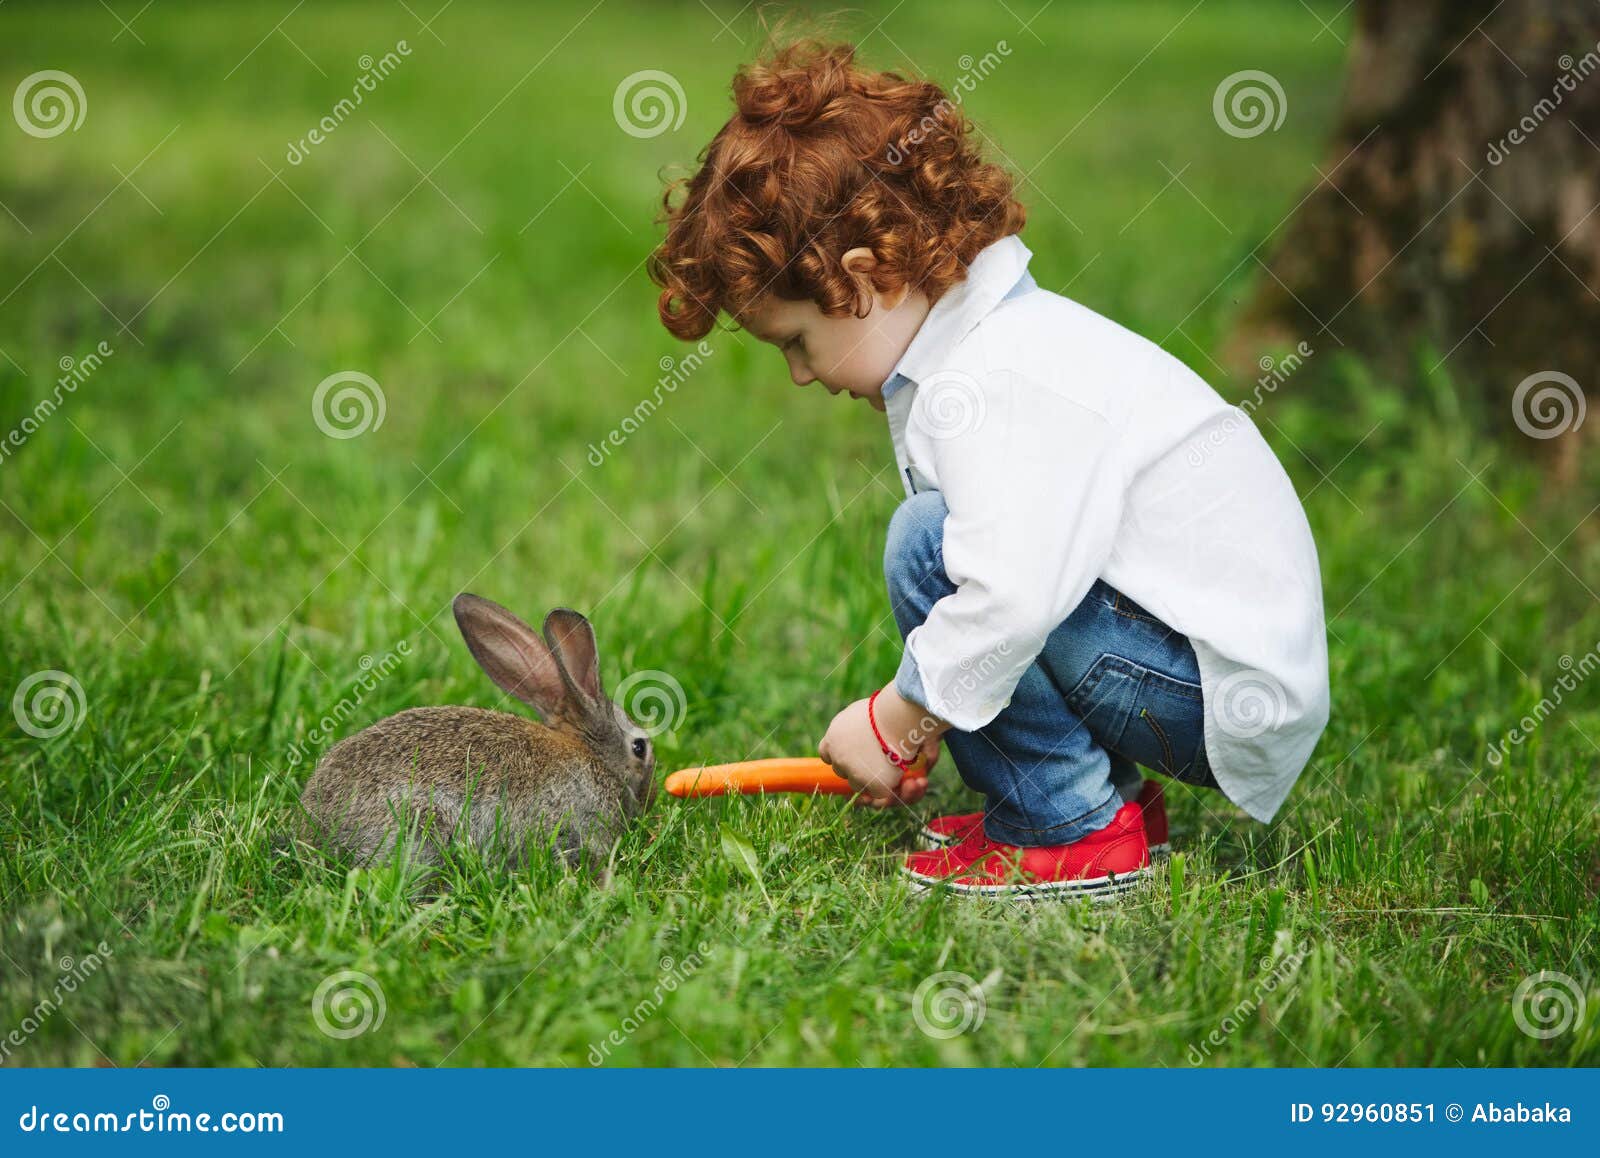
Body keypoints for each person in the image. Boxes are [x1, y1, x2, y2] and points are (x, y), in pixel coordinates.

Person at [647, 37, 1329, 899]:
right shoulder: (990, 348)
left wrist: (900, 716)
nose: (801, 374)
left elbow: (1013, 593)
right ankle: (1096, 803)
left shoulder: (995, 379)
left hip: (1217, 689)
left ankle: (1065, 826)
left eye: (798, 342)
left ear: (866, 278)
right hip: (1200, 660)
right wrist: (934, 695)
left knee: (931, 547)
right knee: (952, 558)